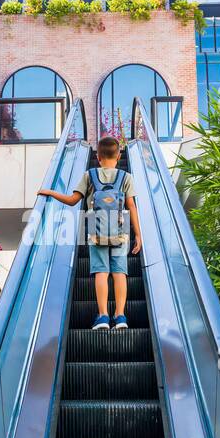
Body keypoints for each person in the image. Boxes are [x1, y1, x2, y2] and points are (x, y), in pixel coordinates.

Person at [38, 135, 142, 330]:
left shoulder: (89, 175)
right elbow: (132, 206)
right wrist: (138, 235)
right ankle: (120, 317)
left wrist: (50, 192)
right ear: (119, 156)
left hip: (96, 229)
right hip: (120, 230)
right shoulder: (126, 177)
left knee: (101, 272)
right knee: (120, 273)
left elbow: (72, 200)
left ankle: (103, 316)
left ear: (98, 157)